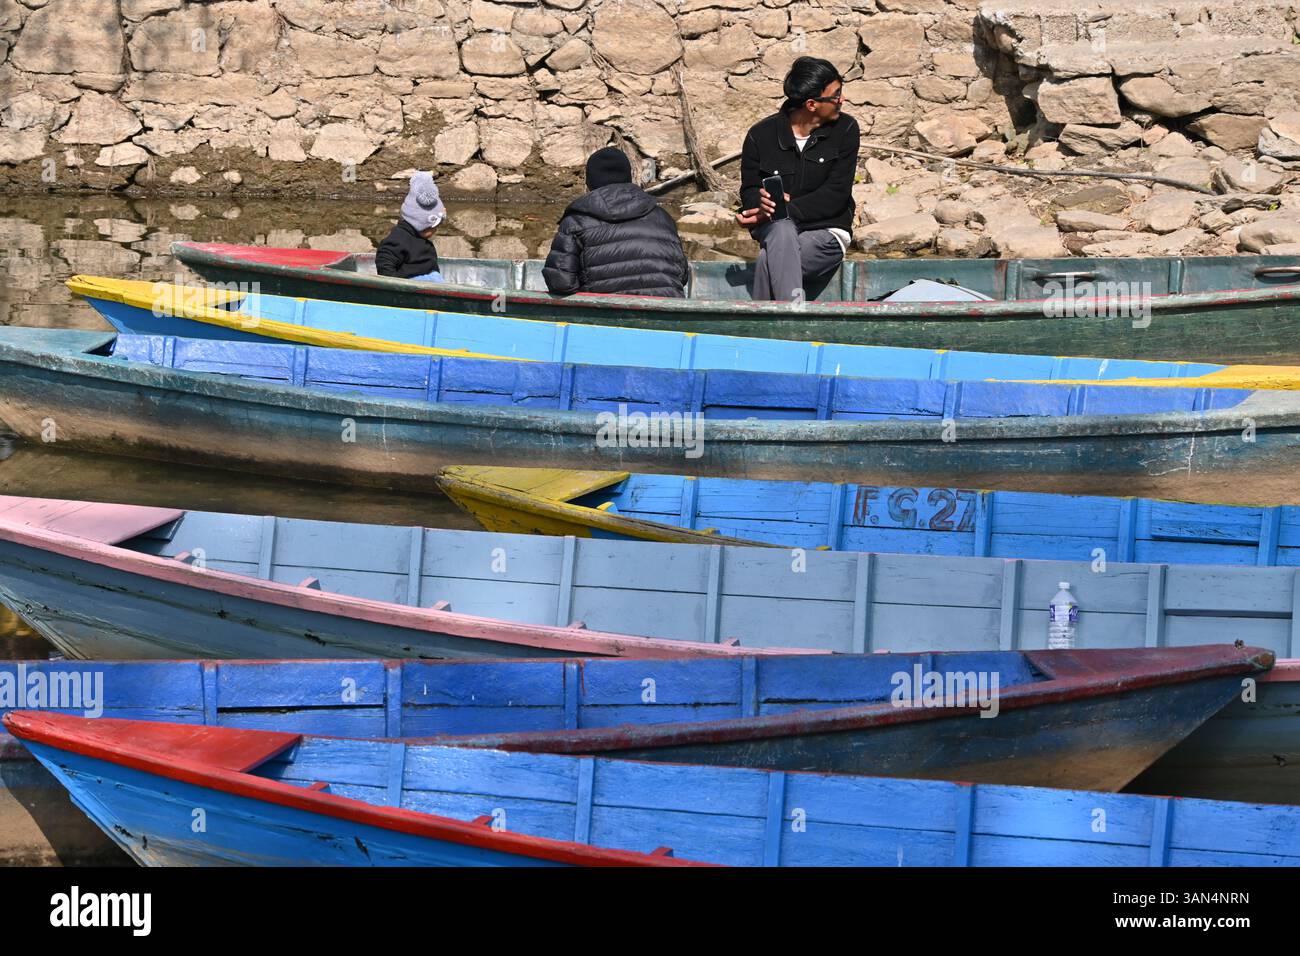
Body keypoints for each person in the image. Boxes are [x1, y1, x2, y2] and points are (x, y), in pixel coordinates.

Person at [737, 57, 860, 302]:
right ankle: (789, 320)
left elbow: (836, 194)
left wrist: (784, 210)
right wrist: (759, 205)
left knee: (768, 257)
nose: (842, 100)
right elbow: (749, 190)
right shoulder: (760, 135)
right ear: (812, 104)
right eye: (836, 95)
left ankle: (772, 325)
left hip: (825, 233)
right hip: (777, 231)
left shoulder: (846, 129)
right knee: (782, 230)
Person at [543, 146, 689, 297]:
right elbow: (682, 276)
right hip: (667, 313)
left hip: (606, 313)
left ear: (589, 182)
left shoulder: (576, 221)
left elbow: (560, 282)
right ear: (628, 177)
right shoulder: (663, 217)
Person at [377, 170, 445, 281]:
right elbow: (385, 264)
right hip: (409, 284)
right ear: (421, 224)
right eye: (434, 227)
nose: (436, 230)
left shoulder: (419, 236)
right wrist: (394, 285)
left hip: (430, 280)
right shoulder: (398, 239)